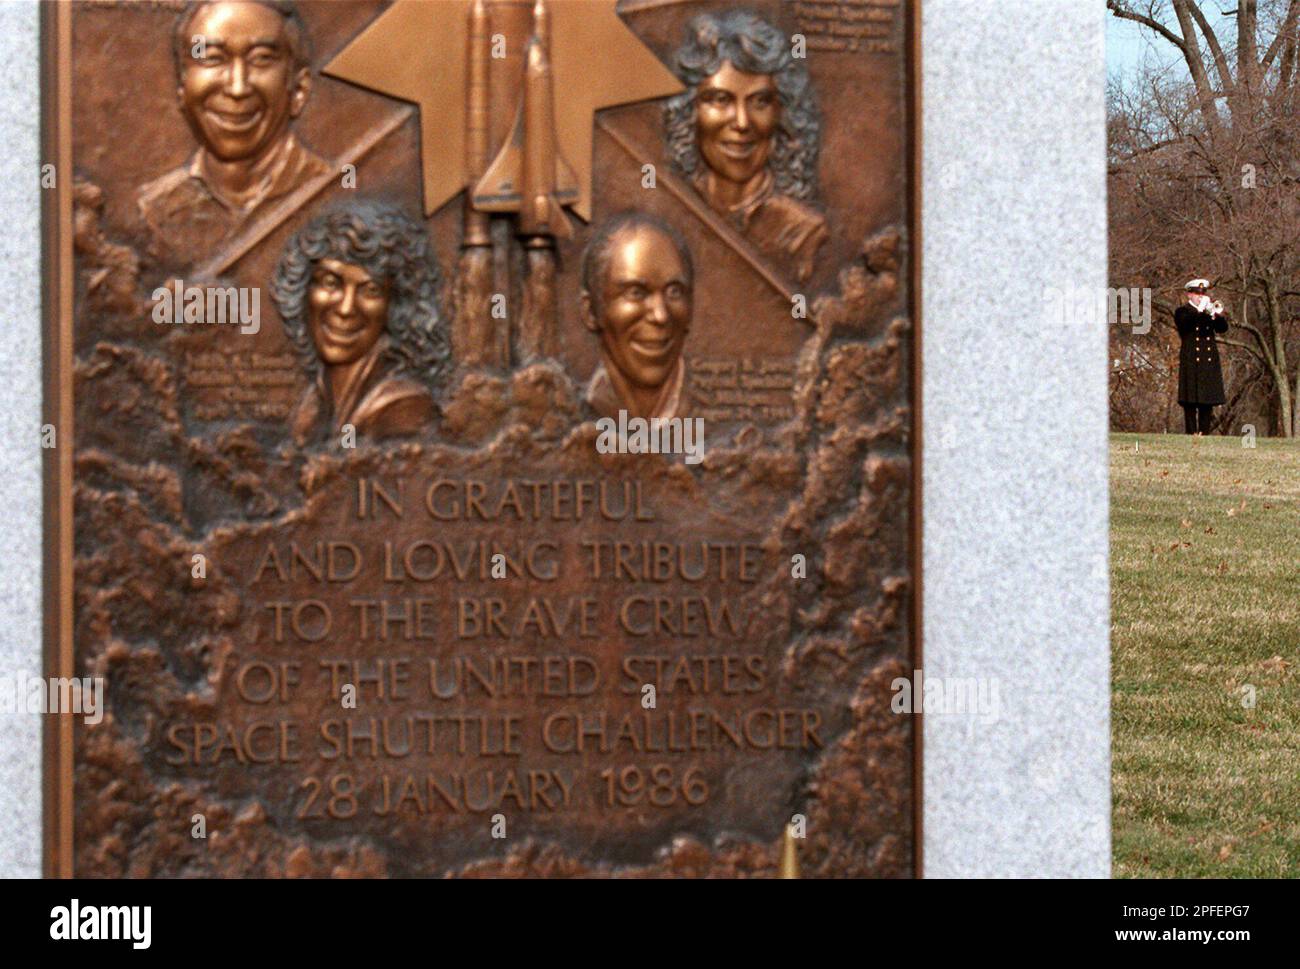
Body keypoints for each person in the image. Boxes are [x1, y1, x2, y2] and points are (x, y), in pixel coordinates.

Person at [137, 0, 330, 264]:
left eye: (261, 59)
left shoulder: (331, 196)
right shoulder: (155, 209)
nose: (237, 88)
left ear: (299, 90)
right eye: (212, 59)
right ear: (182, 85)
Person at [663, 9, 827, 283]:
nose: (741, 122)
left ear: (782, 113)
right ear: (690, 110)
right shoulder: (672, 209)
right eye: (720, 99)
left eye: (760, 101)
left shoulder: (803, 231)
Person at [269, 201, 446, 445]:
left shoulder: (402, 408)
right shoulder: (311, 406)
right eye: (331, 283)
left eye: (371, 290)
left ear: (397, 307)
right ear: (302, 289)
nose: (345, 308)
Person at [581, 213, 694, 421]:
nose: (660, 315)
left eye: (674, 292)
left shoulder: (725, 408)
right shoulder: (568, 409)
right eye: (636, 293)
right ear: (591, 311)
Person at [1174, 278, 1230, 435]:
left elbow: (1222, 328)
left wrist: (1215, 315)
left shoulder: (1207, 312)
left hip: (1208, 361)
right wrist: (1200, 310)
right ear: (1189, 295)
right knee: (1190, 400)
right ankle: (1191, 432)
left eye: (1202, 294)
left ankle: (1204, 432)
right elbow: (1185, 325)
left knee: (1207, 400)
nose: (1200, 296)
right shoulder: (1182, 312)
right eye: (1197, 294)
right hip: (1191, 360)